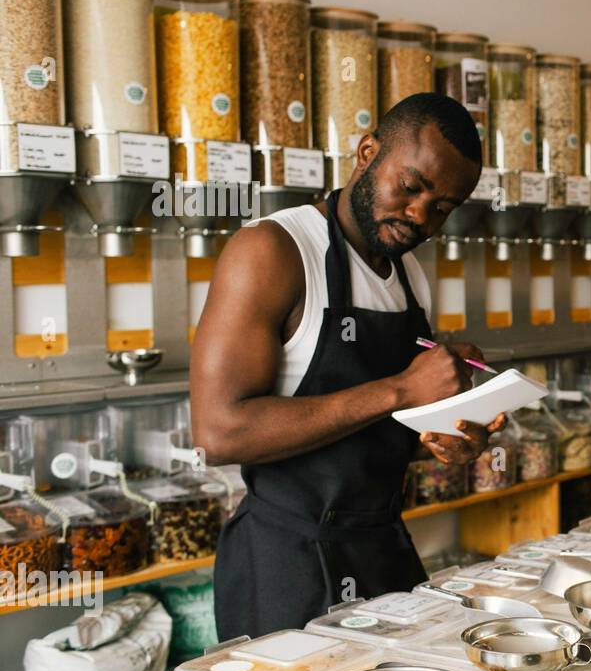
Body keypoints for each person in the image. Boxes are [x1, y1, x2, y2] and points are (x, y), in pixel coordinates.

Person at [190, 93, 505, 641]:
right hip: (284, 562)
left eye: (443, 207)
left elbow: (382, 430)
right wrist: (402, 390)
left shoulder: (410, 279)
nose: (419, 216)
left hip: (382, 547)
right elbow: (218, 432)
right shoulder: (274, 250)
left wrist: (447, 433)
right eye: (411, 187)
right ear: (367, 153)